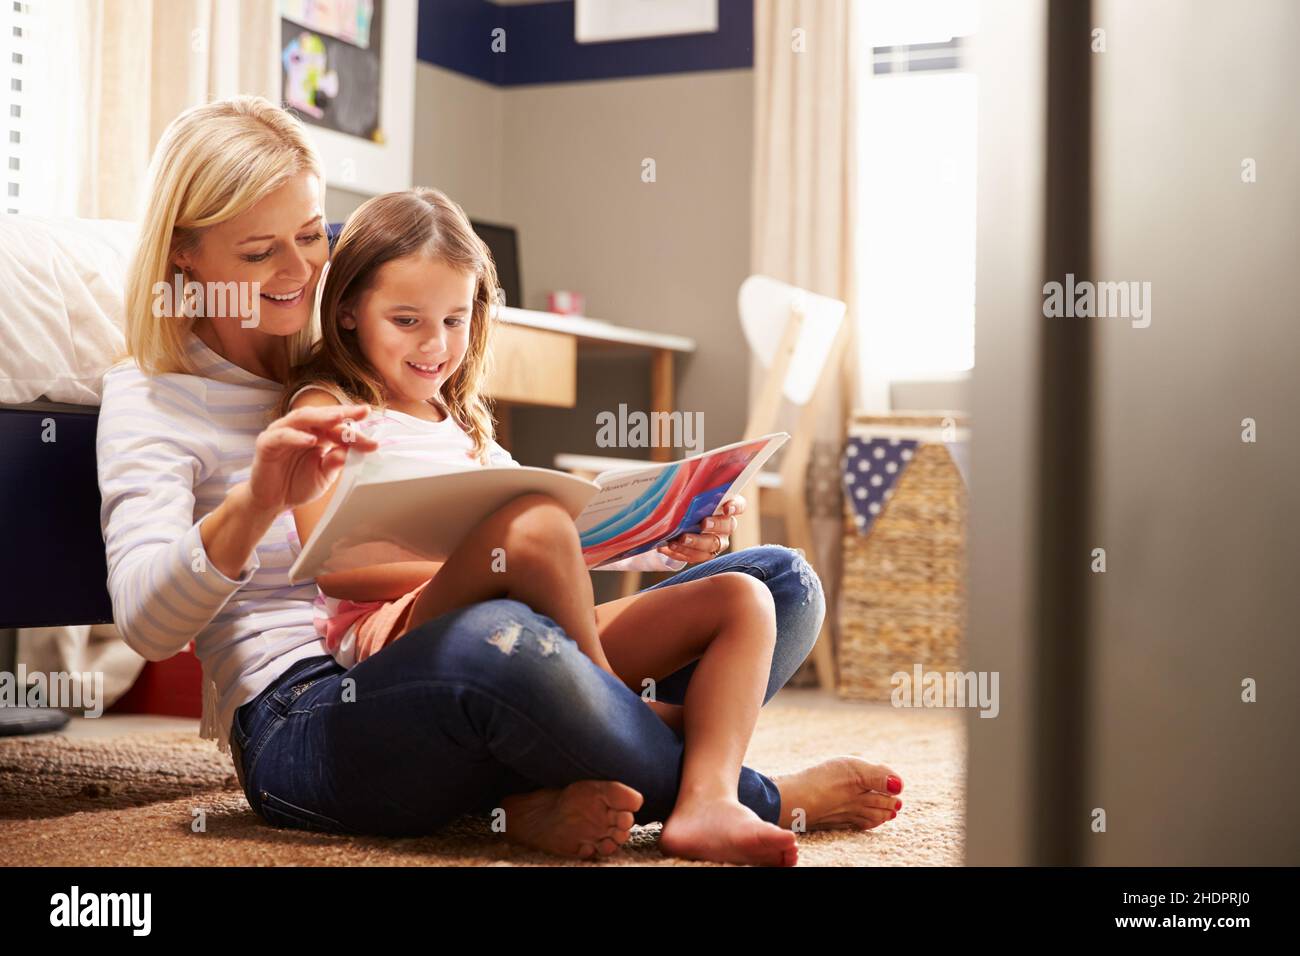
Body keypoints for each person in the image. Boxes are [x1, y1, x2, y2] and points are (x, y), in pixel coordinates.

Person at [97, 95, 904, 867]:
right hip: (307, 712)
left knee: (776, 583)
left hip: (483, 641)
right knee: (502, 647)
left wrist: (659, 537)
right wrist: (255, 502)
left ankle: (540, 787)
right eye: (257, 251)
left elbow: (523, 519)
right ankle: (744, 792)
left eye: (312, 236)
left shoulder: (370, 337)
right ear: (184, 253)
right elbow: (147, 627)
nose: (300, 271)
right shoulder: (156, 395)